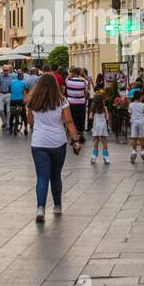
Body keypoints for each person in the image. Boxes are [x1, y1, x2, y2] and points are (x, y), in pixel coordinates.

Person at [26, 72, 82, 223]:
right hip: (58, 142)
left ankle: (40, 208)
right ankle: (57, 206)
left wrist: (40, 126)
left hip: (39, 143)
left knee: (42, 177)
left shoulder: (33, 101)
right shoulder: (62, 101)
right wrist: (76, 140)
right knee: (55, 175)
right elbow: (69, 121)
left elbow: (30, 121)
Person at [65, 67, 90, 137]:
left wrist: (70, 75)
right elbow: (86, 91)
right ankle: (81, 135)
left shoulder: (68, 81)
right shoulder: (84, 81)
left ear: (73, 73)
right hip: (81, 103)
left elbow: (67, 78)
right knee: (81, 119)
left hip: (71, 103)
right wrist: (84, 74)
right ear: (80, 73)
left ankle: (74, 137)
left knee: (72, 120)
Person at [128, 87, 144, 164]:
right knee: (142, 138)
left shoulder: (131, 104)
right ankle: (143, 152)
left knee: (134, 138)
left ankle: (134, 151)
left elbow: (130, 114)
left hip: (134, 122)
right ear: (140, 97)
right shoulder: (143, 105)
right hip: (141, 122)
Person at [89, 94, 110, 165]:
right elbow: (107, 118)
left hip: (96, 125)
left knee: (96, 140)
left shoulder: (93, 108)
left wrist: (94, 117)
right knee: (104, 140)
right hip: (103, 126)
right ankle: (106, 157)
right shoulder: (105, 108)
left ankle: (94, 156)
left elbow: (90, 117)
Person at [8, 69, 27, 134]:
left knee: (12, 115)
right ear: (22, 77)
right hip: (20, 101)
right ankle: (26, 129)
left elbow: (9, 89)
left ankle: (10, 128)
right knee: (24, 114)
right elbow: (26, 90)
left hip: (13, 100)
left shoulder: (12, 81)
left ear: (17, 76)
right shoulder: (24, 82)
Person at [0, 65, 13, 131]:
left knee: (8, 111)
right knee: (0, 109)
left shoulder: (11, 77)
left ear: (9, 71)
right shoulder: (0, 76)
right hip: (1, 94)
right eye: (4, 70)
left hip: (8, 94)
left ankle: (8, 125)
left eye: (6, 70)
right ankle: (5, 122)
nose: (5, 72)